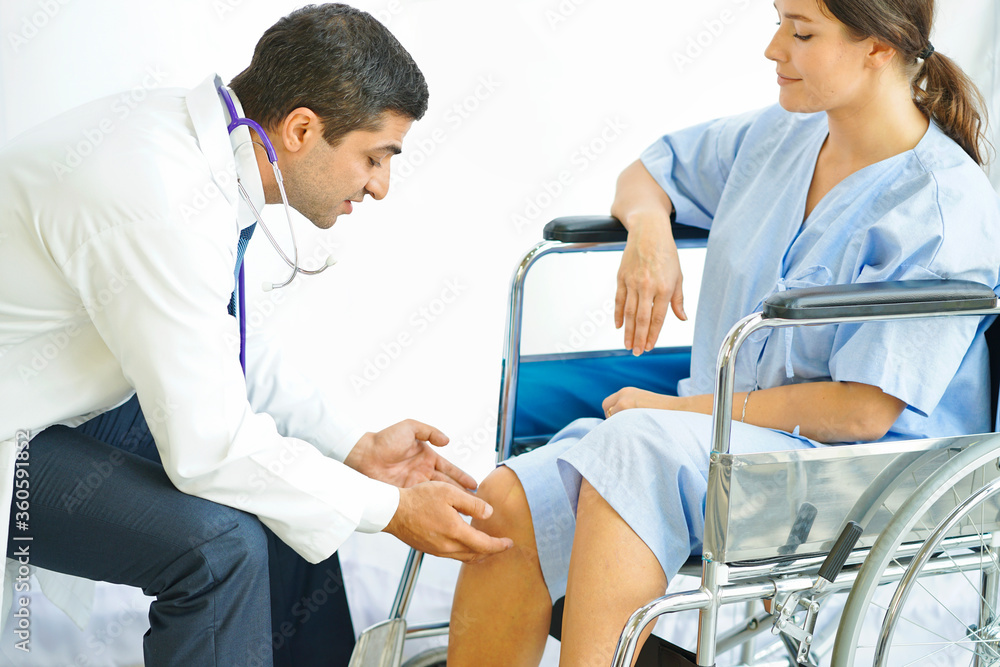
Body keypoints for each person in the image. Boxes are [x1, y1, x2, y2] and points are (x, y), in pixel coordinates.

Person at [447, 0, 1000, 664]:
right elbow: (649, 173)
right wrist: (649, 232)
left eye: (801, 32)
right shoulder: (778, 137)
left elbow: (861, 412)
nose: (774, 48)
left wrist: (678, 410)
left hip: (863, 473)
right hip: (719, 442)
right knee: (506, 505)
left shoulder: (940, 205)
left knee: (634, 446)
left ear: (878, 47)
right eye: (778, 22)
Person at [0, 4, 511, 666]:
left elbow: (219, 349)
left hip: (55, 397)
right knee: (219, 546)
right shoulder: (157, 197)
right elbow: (209, 447)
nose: (381, 187)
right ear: (301, 129)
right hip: (17, 427)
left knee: (289, 498)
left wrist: (350, 448)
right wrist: (388, 509)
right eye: (374, 157)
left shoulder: (201, 154)